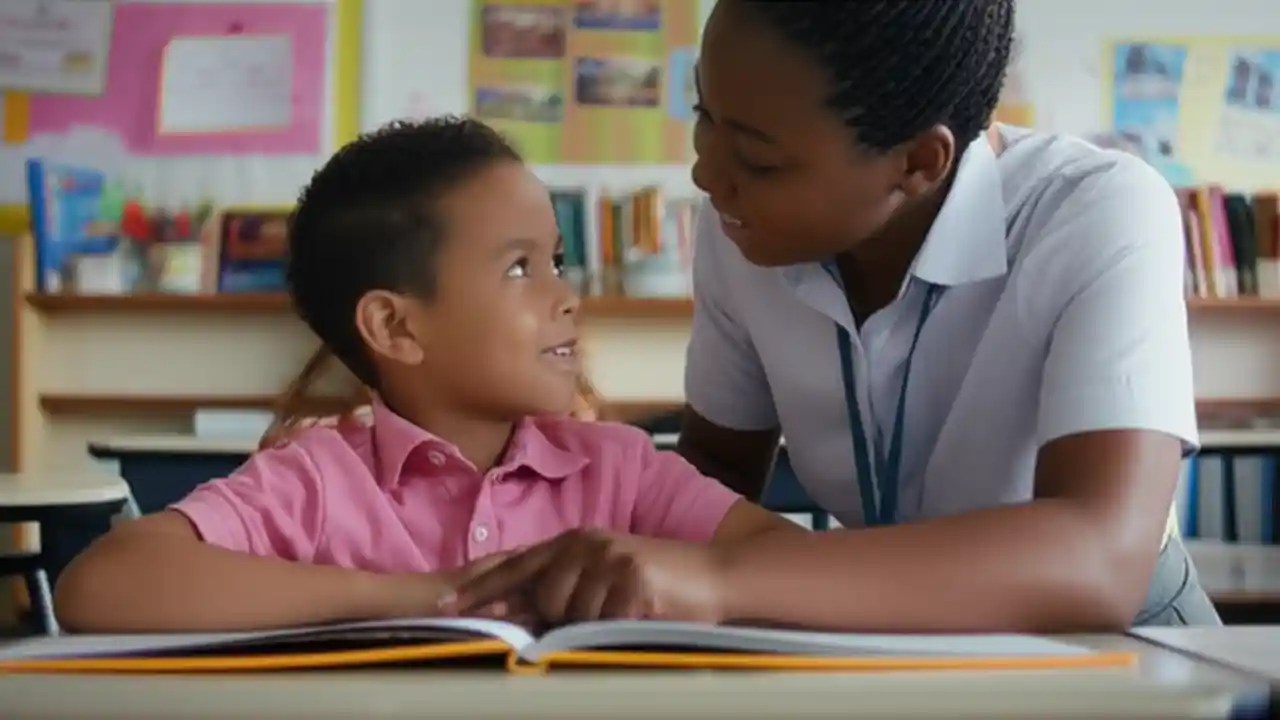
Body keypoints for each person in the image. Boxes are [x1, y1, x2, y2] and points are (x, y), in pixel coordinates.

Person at [447, 0, 1219, 631]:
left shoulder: (1097, 209)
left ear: (919, 163)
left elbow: (1099, 558)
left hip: (1121, 651)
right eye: (704, 116)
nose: (706, 174)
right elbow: (711, 477)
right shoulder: (739, 225)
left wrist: (718, 577)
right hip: (882, 633)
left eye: (758, 158)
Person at [53, 117, 796, 633]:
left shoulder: (621, 471)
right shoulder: (315, 481)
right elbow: (102, 585)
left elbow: (783, 564)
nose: (567, 295)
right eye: (519, 268)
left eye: (558, 261)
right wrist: (430, 595)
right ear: (397, 327)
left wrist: (672, 577)